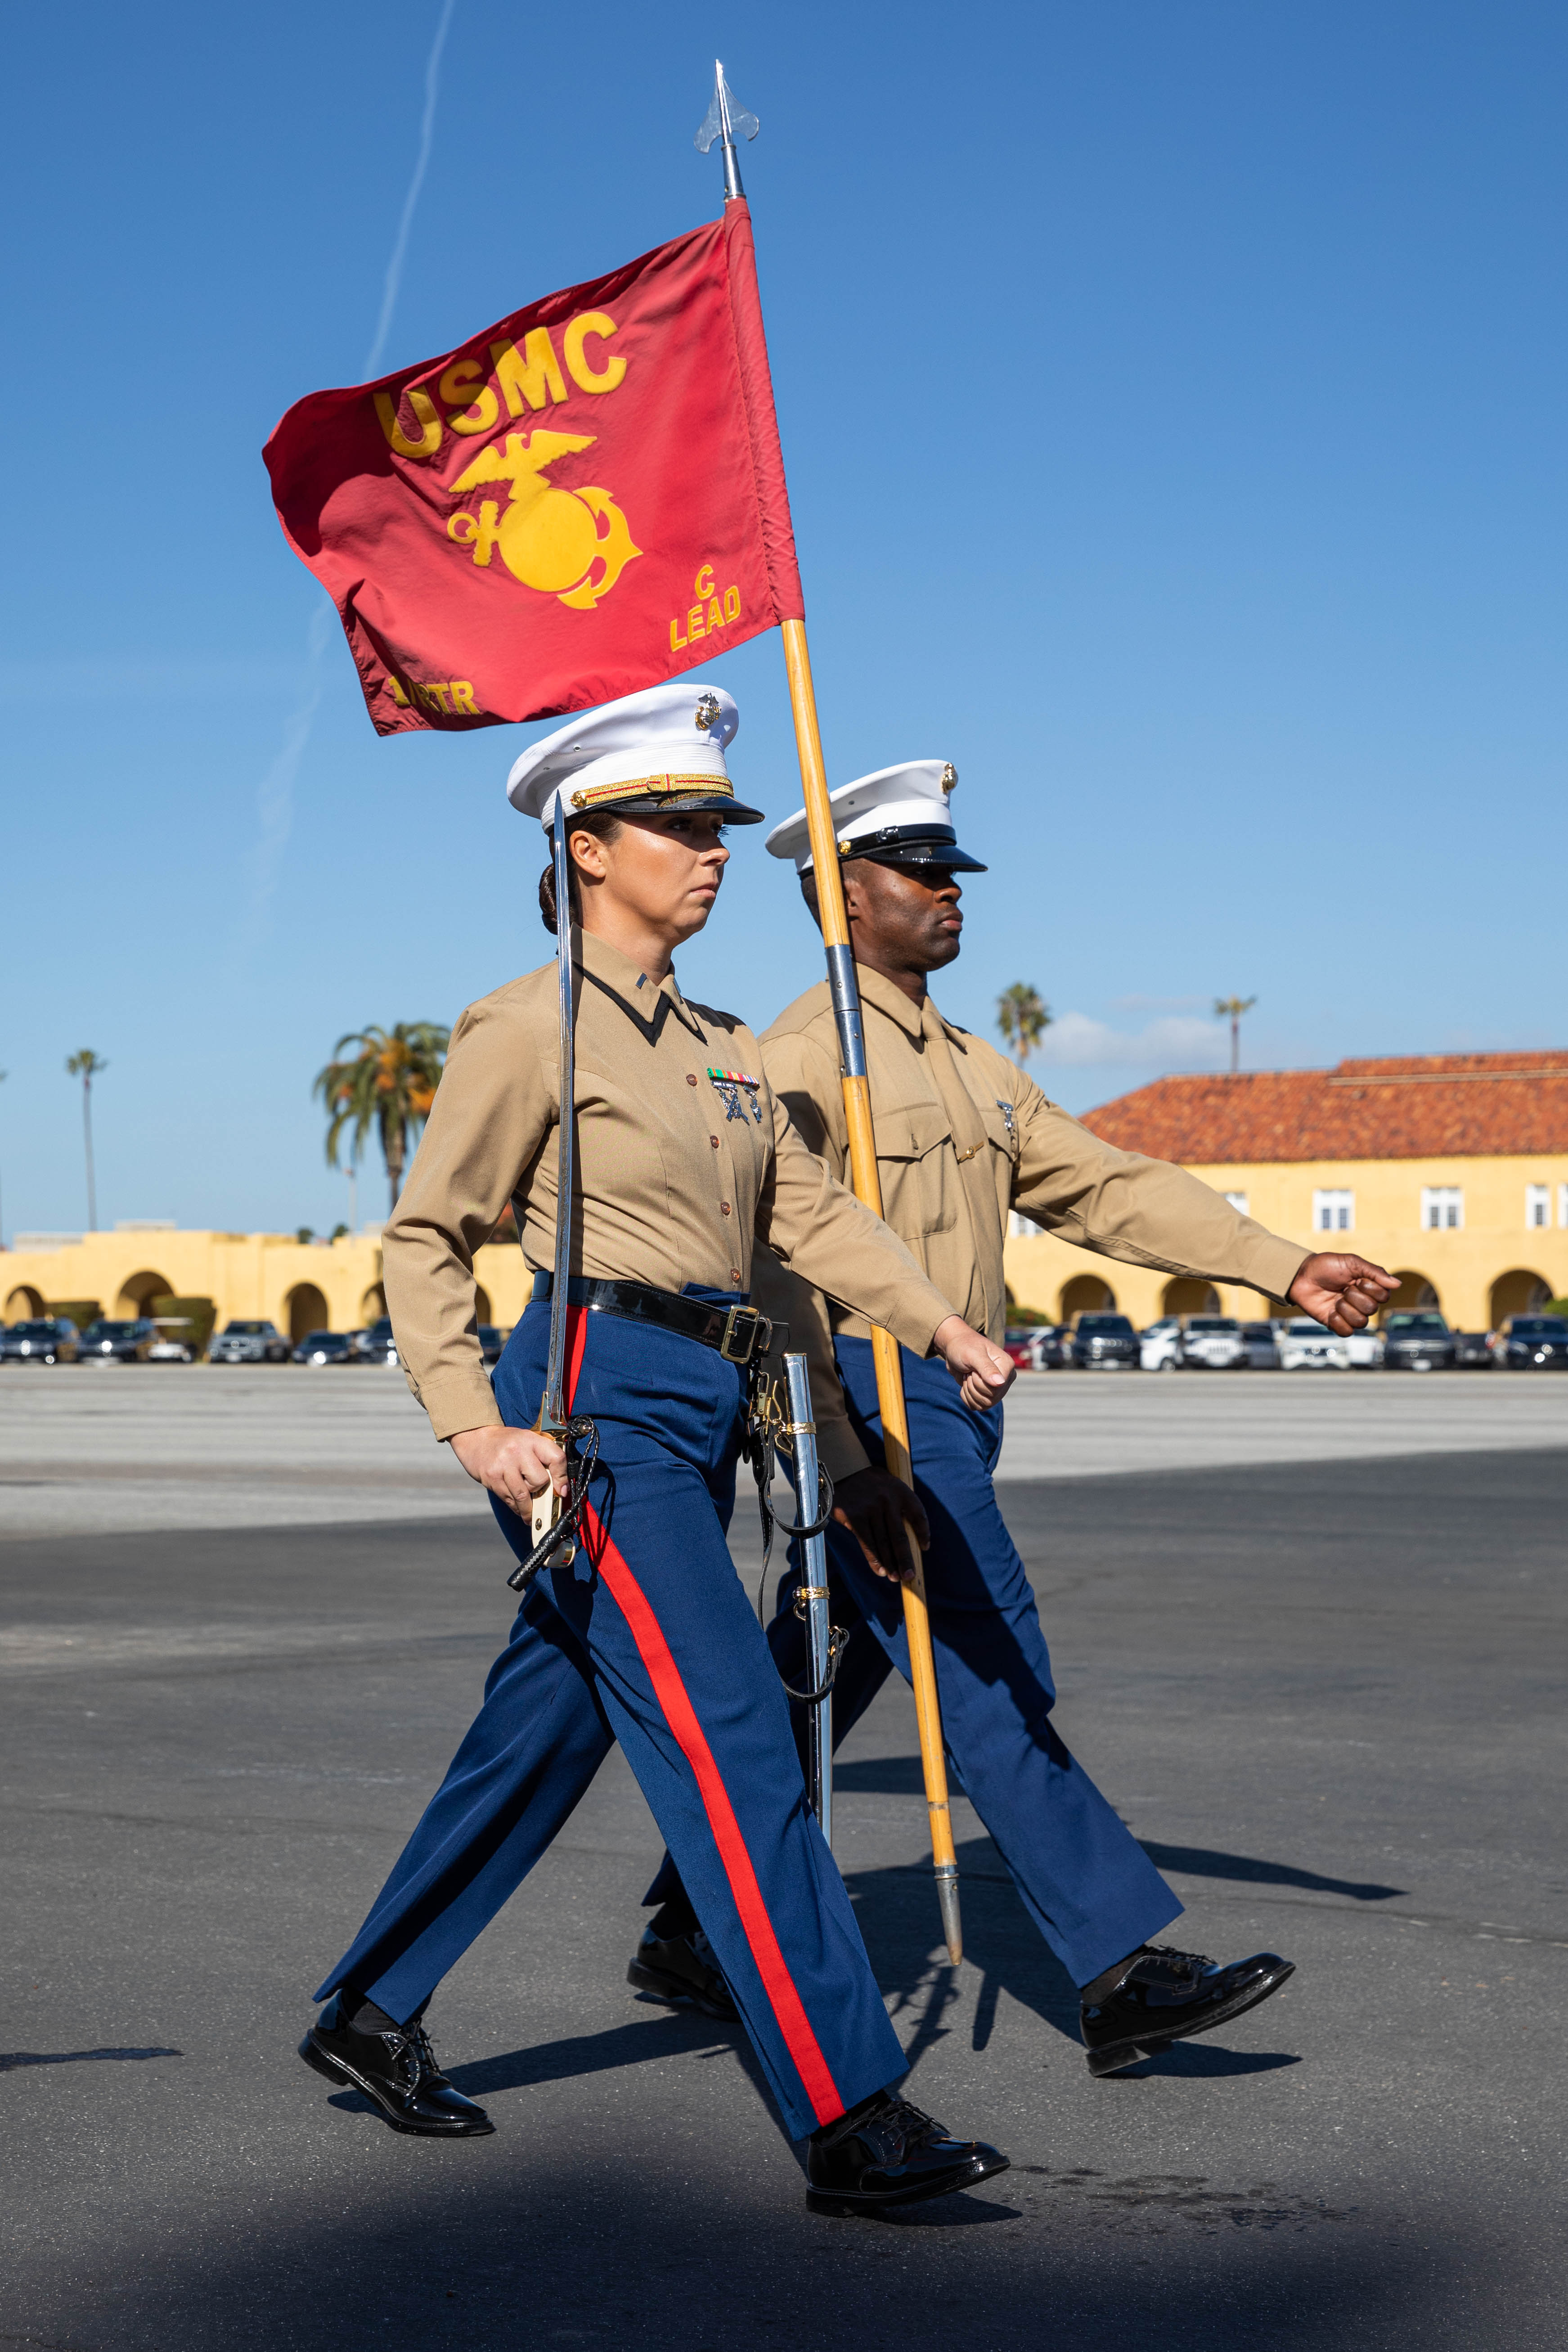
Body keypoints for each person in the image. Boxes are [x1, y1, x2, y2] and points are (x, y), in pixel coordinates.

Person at [298, 688, 1019, 2215]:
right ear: (587, 842)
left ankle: (368, 2008)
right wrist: (472, 1424)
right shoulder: (523, 1025)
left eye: (719, 827)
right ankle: (849, 2107)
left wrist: (936, 1327)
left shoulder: (727, 1045)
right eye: (683, 828)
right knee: (733, 1737)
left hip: (708, 1401)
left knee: (551, 1723)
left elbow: (803, 1225)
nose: (712, 854)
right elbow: (426, 1238)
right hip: (589, 1397)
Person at [631, 757, 1398, 2081]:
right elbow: (775, 1264)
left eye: (952, 870)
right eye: (918, 871)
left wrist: (1278, 1262)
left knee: (808, 1674)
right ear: (841, 891)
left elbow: (1102, 1187)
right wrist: (842, 1443)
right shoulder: (800, 1062)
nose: (948, 889)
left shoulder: (971, 1063)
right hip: (873, 1407)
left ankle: (697, 1925)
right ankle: (1115, 1969)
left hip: (957, 1408)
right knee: (981, 1672)